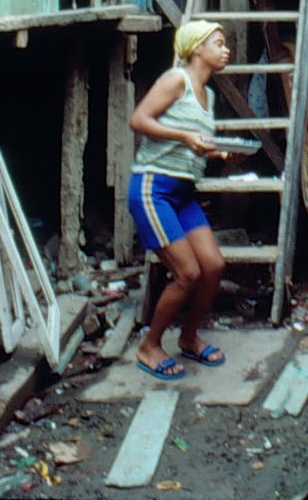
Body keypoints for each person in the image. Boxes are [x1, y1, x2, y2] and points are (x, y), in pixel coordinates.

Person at [127, 20, 230, 380]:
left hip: (184, 193)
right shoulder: (176, 80)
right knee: (187, 273)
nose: (225, 50)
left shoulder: (209, 95)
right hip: (153, 189)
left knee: (214, 265)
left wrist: (213, 153)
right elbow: (138, 119)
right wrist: (186, 138)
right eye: (218, 43)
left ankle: (188, 338)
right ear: (197, 48)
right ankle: (149, 347)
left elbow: (192, 145)